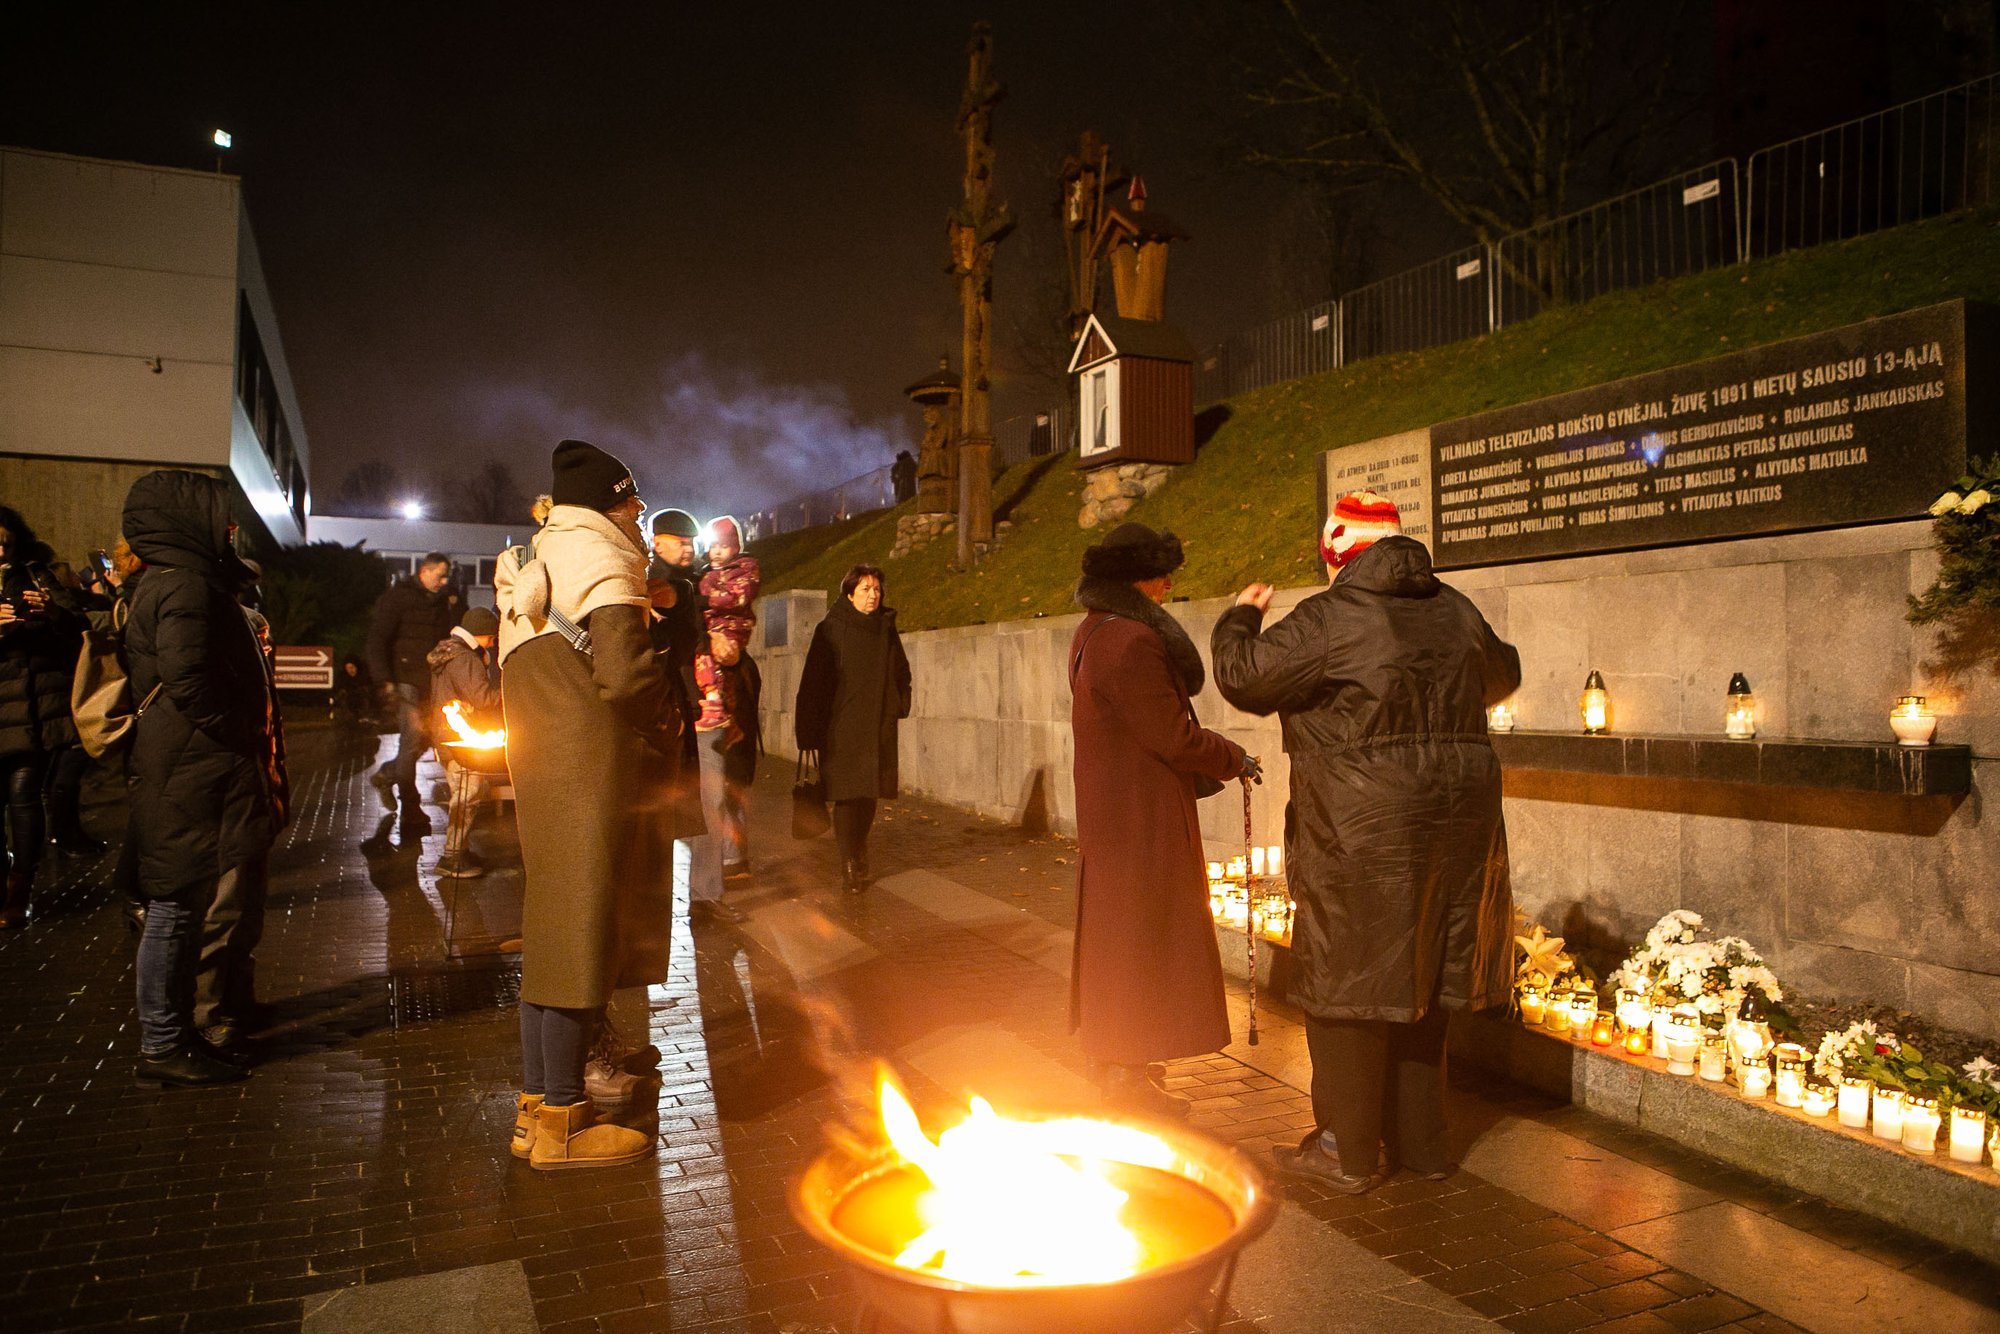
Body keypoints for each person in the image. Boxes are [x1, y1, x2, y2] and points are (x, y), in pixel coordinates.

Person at [1211, 491, 1520, 1193]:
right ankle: (1423, 1148)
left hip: (1361, 829)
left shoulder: (1333, 617)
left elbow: (1245, 677)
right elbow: (1504, 673)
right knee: (1422, 979)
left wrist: (1238, 618)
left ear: (1336, 553)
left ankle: (1344, 1151)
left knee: (1349, 980)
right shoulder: (1454, 608)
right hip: (1455, 824)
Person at [495, 439, 680, 1170]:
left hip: (543, 768)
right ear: (608, 502)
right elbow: (627, 677)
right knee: (579, 941)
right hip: (591, 769)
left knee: (550, 940)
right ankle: (563, 1127)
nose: (638, 511)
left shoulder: (535, 562)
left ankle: (540, 1108)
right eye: (630, 498)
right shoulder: (603, 559)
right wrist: (668, 713)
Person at [1067, 523, 1255, 1118]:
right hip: (1140, 820)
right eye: (1160, 575)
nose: (1170, 586)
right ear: (1135, 579)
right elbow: (1172, 735)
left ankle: (1125, 1064)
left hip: (1117, 815)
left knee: (1126, 939)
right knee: (1142, 943)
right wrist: (1233, 756)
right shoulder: (1131, 642)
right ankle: (1127, 1078)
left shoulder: (1094, 631)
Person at [121, 471, 280, 1086]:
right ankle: (163, 1042)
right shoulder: (183, 585)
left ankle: (178, 1034)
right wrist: (242, 726)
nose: (231, 527)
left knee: (184, 905)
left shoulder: (176, 581)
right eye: (220, 515)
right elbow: (188, 679)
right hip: (189, 768)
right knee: (175, 910)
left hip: (187, 764)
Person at [194, 557, 288, 1057]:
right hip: (226, 785)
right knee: (222, 908)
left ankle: (237, 998)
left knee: (247, 907)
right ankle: (207, 1013)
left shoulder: (248, 625)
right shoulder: (204, 627)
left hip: (254, 784)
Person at [794, 564, 910, 893]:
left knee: (869, 793)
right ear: (849, 593)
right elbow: (813, 680)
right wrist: (808, 730)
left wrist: (900, 703)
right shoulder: (831, 628)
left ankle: (859, 850)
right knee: (847, 795)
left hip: (877, 724)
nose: (873, 595)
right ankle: (848, 860)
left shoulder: (885, 627)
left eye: (876, 590)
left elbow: (901, 669)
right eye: (865, 590)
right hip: (841, 726)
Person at [0, 507, 86, 927]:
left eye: (6, 542)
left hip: (31, 706)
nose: (1, 550)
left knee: (24, 797)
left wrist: (50, 611)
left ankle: (19, 889)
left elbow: (78, 624)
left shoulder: (36, 575)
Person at [647, 508, 718, 917]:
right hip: (665, 705)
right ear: (658, 542)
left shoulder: (684, 583)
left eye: (691, 542)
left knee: (692, 805)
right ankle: (664, 904)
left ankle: (700, 898)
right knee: (668, 806)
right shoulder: (659, 584)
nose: (689, 548)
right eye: (680, 541)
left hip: (681, 701)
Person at [365, 552, 456, 835]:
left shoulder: (440, 602)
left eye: (446, 577)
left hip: (430, 682)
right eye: (439, 576)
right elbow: (377, 640)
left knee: (423, 741)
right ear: (424, 572)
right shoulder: (399, 597)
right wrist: (384, 680)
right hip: (406, 681)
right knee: (412, 740)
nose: (443, 582)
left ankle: (387, 776)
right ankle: (411, 809)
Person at [692, 516, 759, 891]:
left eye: (723, 546)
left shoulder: (745, 571)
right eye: (712, 547)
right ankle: (728, 861)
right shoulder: (706, 575)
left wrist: (706, 597)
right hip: (721, 693)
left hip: (730, 637)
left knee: (730, 786)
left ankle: (734, 859)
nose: (715, 553)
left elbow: (737, 597)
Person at [428, 607, 501, 879]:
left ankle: (459, 850)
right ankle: (452, 856)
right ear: (482, 633)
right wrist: (509, 692)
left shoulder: (447, 652)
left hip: (446, 735)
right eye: (492, 637)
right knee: (468, 794)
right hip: (461, 739)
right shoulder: (465, 658)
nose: (493, 642)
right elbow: (483, 699)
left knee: (464, 791)